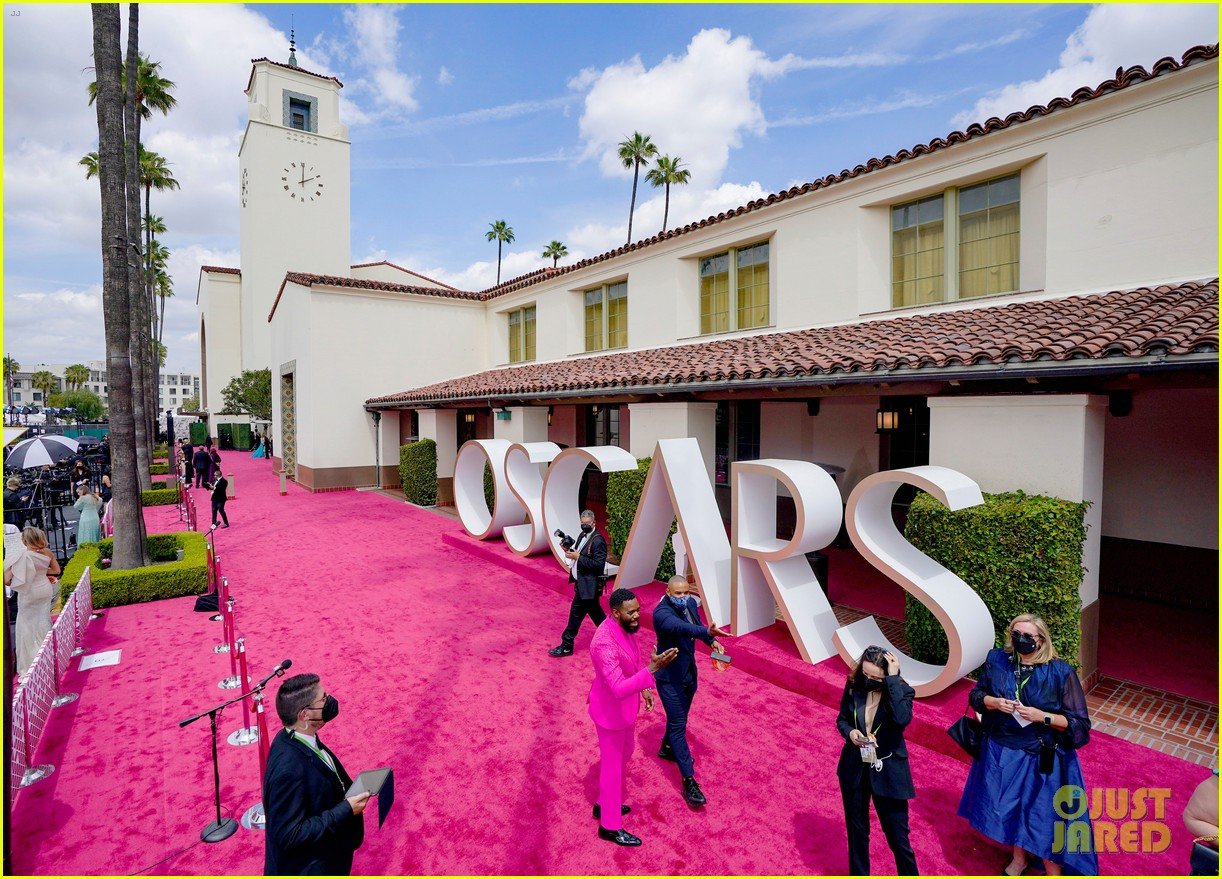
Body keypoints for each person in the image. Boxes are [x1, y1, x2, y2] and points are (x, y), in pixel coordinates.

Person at [958, 614, 1095, 876]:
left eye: (1027, 636)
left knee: (1041, 816)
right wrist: (994, 703)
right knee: (1011, 808)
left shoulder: (1059, 672)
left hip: (1040, 753)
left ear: (1041, 640)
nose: (1020, 640)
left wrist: (1040, 716)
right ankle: (1019, 859)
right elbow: (975, 696)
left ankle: (1052, 870)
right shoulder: (998, 660)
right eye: (1015, 634)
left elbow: (1079, 725)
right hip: (1002, 749)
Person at [588, 587, 678, 846]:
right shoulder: (603, 642)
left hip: (626, 709)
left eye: (638, 609)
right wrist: (653, 670)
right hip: (609, 713)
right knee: (613, 767)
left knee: (625, 754)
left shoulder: (625, 629)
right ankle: (609, 825)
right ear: (615, 613)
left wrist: (646, 688)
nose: (638, 615)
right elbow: (617, 688)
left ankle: (603, 804)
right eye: (632, 612)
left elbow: (634, 661)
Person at [264, 673, 369, 875]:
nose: (330, 702)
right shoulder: (288, 770)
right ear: (304, 715)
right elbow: (288, 835)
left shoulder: (296, 737)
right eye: (323, 699)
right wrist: (346, 809)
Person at [836, 645, 919, 875]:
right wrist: (850, 733)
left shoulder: (902, 692)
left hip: (888, 770)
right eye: (866, 673)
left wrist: (891, 680)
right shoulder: (854, 685)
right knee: (857, 831)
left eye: (876, 676)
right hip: (854, 766)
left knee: (898, 837)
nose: (870, 679)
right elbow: (842, 718)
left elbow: (901, 719)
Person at [652, 575, 730, 807]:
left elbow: (695, 625)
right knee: (678, 726)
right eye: (678, 593)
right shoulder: (660, 613)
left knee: (680, 719)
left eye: (686, 592)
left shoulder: (689, 604)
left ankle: (666, 748)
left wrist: (712, 642)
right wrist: (706, 632)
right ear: (667, 592)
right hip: (669, 679)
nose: (683, 597)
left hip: (688, 675)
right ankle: (689, 780)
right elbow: (683, 628)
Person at [549, 509, 608, 657]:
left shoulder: (598, 541)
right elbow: (578, 552)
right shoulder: (582, 535)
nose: (584, 526)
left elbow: (599, 565)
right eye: (582, 524)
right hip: (582, 583)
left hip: (589, 587)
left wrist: (578, 557)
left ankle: (567, 645)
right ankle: (614, 637)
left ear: (594, 523)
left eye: (587, 524)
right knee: (597, 615)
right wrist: (569, 551)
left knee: (575, 615)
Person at [6, 526, 59, 677]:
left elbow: (6, 580)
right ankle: (49, 656)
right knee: (43, 620)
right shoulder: (47, 553)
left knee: (27, 626)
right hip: (44, 589)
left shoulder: (21, 556)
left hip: (29, 593)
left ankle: (33, 661)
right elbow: (56, 571)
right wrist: (41, 571)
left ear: (24, 540)